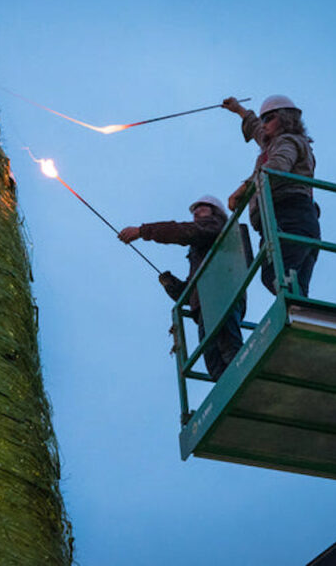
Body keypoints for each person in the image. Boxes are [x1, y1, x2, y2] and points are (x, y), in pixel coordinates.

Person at [118, 196, 244, 381]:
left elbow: (184, 231)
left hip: (221, 294)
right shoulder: (202, 248)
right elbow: (190, 291)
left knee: (227, 347)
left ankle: (240, 380)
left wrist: (142, 231)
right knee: (213, 358)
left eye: (202, 208)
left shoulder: (214, 225)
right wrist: (174, 286)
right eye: (195, 210)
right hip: (206, 303)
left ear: (215, 212)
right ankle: (231, 389)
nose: (197, 212)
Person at [223, 94, 320, 297]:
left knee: (276, 274)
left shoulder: (287, 141)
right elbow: (256, 128)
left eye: (269, 119)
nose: (263, 124)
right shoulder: (275, 141)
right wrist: (239, 110)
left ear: (285, 119)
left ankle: (299, 312)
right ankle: (301, 314)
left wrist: (243, 189)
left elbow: (277, 167)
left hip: (289, 216)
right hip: (295, 221)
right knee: (293, 284)